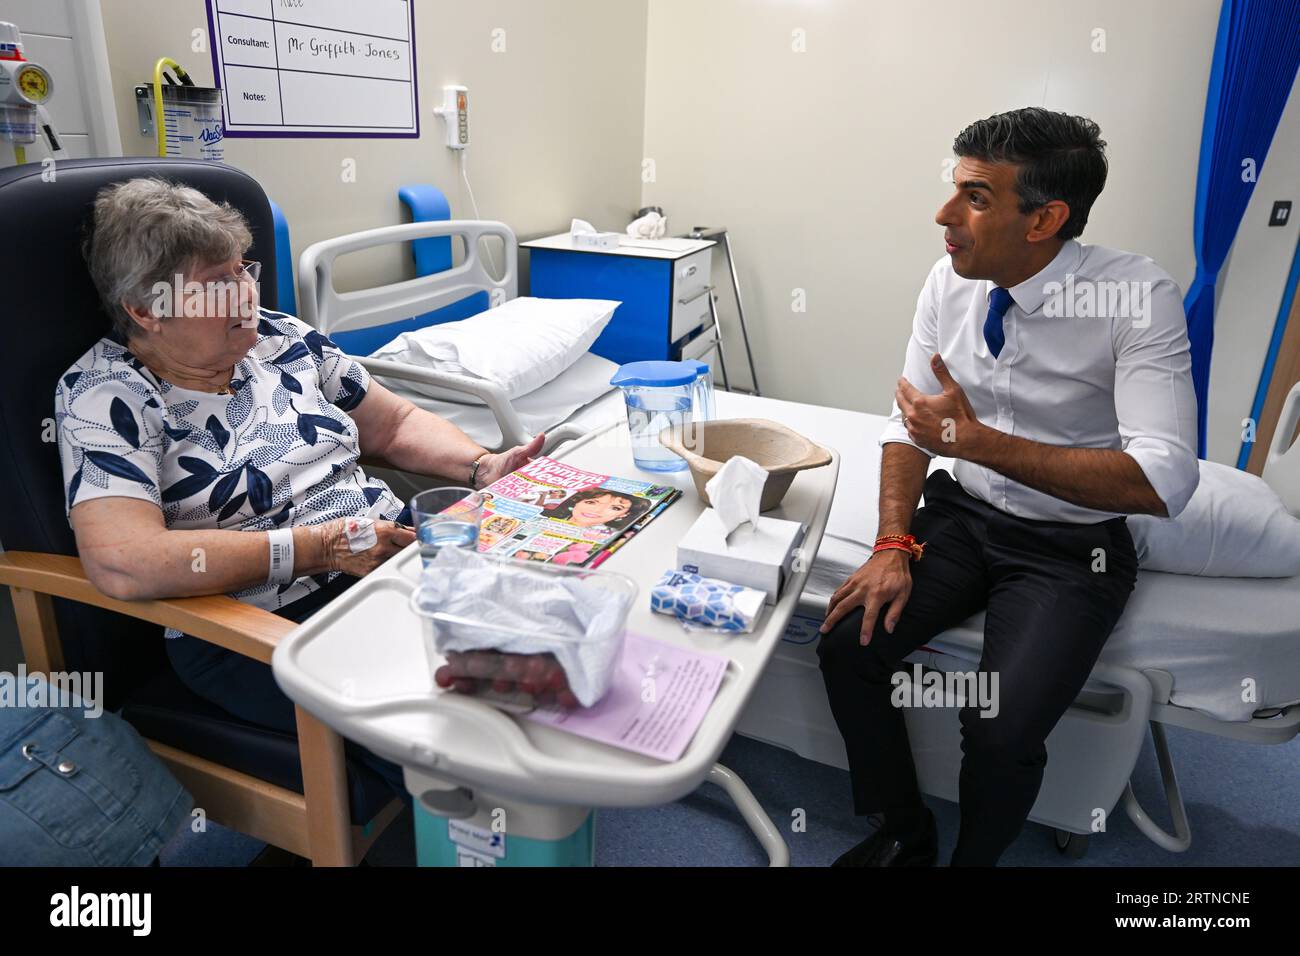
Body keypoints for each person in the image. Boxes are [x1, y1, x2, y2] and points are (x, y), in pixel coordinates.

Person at [55, 177, 544, 795]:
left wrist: (481, 468)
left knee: (545, 626)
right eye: (216, 284)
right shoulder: (106, 396)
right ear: (146, 310)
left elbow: (393, 423)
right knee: (470, 735)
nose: (245, 294)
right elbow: (123, 561)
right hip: (259, 620)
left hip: (388, 558)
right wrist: (316, 548)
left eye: (243, 270)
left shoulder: (283, 339)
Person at [817, 108, 1198, 866]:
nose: (944, 215)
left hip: (1071, 546)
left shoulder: (1134, 297)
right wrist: (893, 542)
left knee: (1000, 725)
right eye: (954, 189)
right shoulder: (947, 280)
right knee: (848, 644)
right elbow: (908, 425)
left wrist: (979, 442)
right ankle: (901, 829)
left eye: (977, 198)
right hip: (963, 517)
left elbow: (1166, 478)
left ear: (1045, 219)